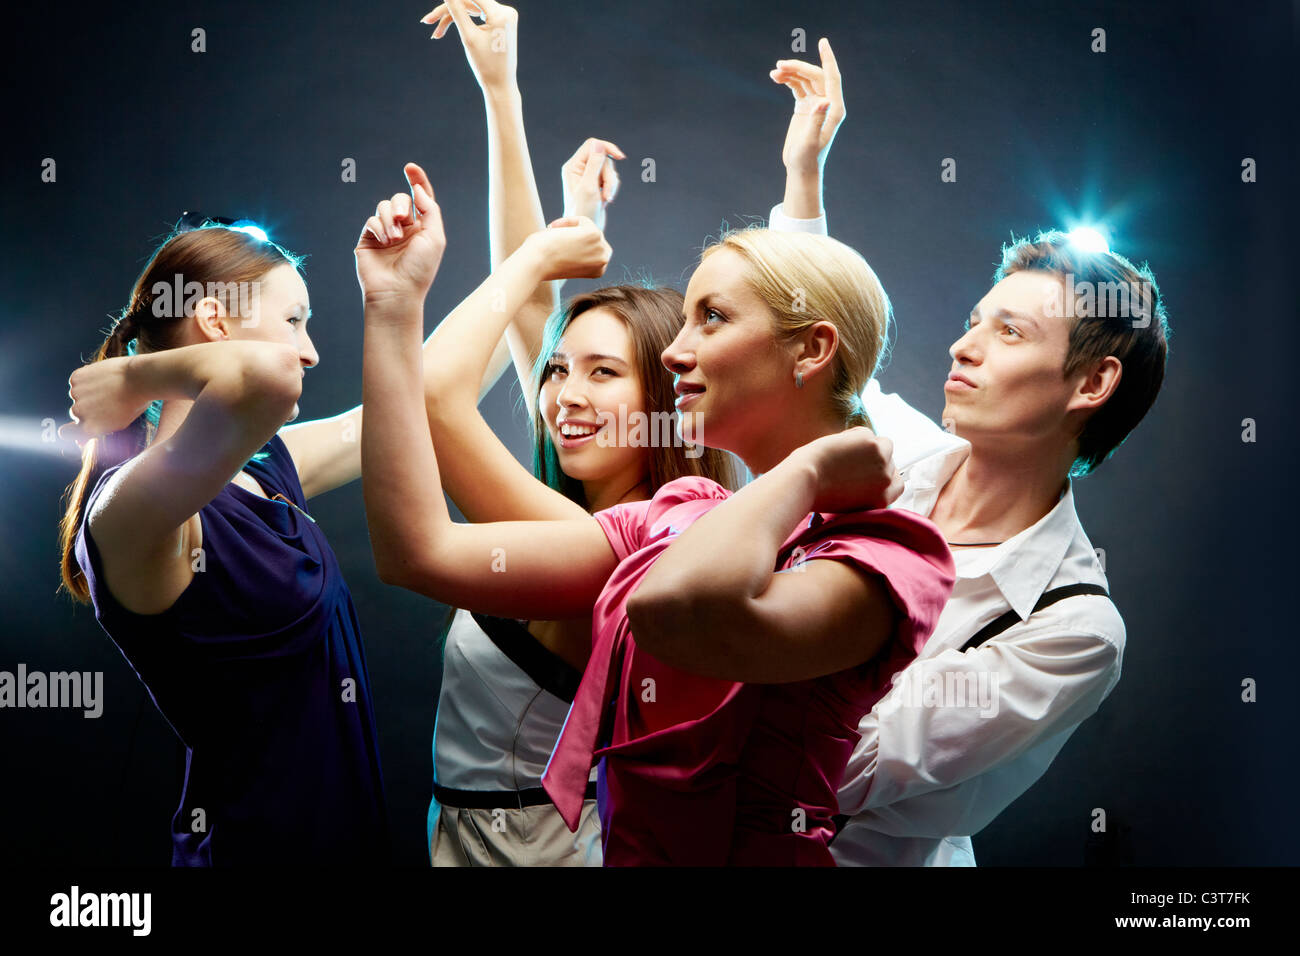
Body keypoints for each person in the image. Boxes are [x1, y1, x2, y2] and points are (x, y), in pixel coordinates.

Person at [355, 160, 956, 865]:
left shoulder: (886, 554)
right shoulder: (681, 511)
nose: (675, 350)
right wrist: (392, 307)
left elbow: (681, 610)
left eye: (713, 318)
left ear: (812, 350)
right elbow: (415, 553)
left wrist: (808, 469)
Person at [766, 48, 1171, 866]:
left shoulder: (1075, 627)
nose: (962, 346)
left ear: (1093, 381)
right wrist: (804, 172)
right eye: (976, 319)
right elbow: (823, 354)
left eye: (1009, 331)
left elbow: (843, 767)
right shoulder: (902, 460)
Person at [415, 0, 736, 865]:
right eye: (560, 373)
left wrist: (551, 255)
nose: (561, 395)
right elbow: (530, 313)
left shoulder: (603, 548)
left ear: (665, 403)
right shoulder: (575, 486)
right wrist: (501, 88)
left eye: (603, 374)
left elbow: (436, 391)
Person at [57, 223, 390, 865]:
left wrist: (535, 258)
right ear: (214, 322)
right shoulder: (127, 511)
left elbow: (421, 400)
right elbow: (268, 378)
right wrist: (136, 379)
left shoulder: (266, 469)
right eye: (293, 320)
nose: (310, 350)